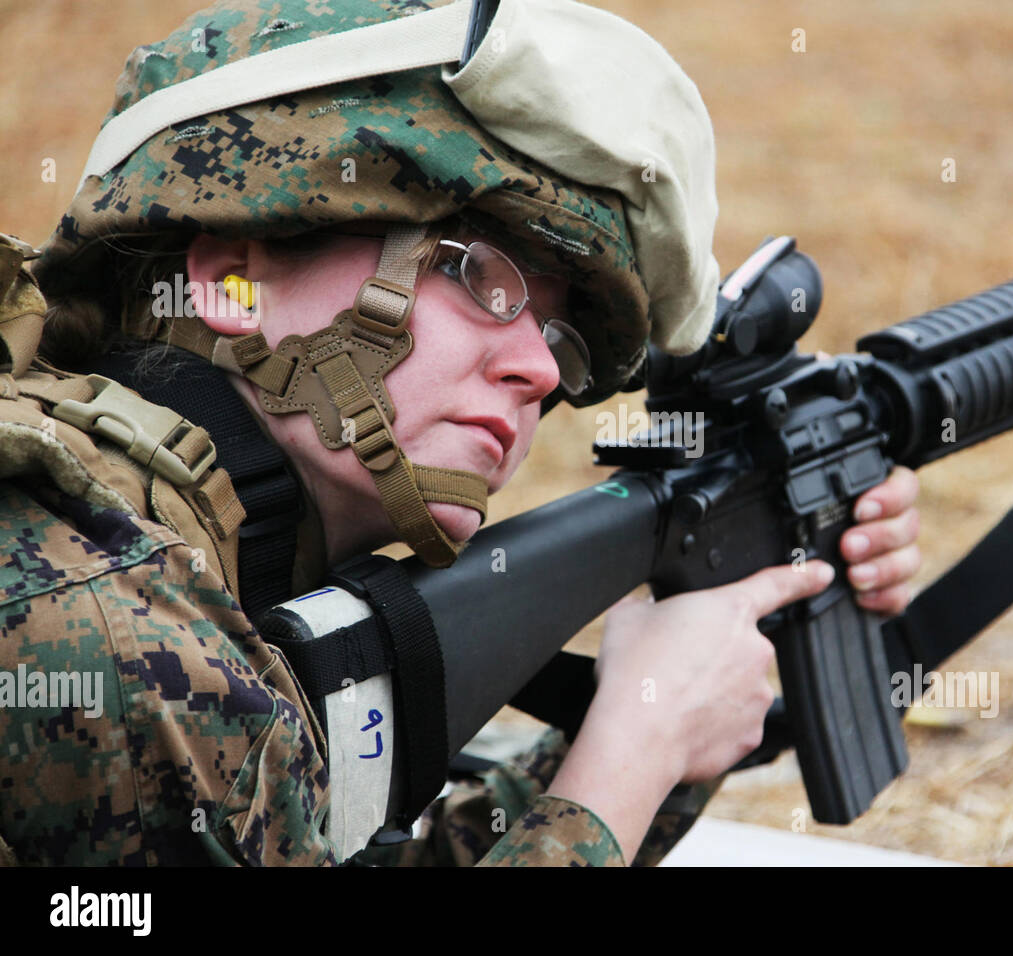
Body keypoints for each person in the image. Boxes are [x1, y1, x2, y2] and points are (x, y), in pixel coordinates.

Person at [0, 0, 922, 866]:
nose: (546, 370)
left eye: (560, 334)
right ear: (231, 281)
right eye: (484, 278)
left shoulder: (194, 563)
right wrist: (631, 758)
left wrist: (681, 691)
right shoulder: (98, 616)